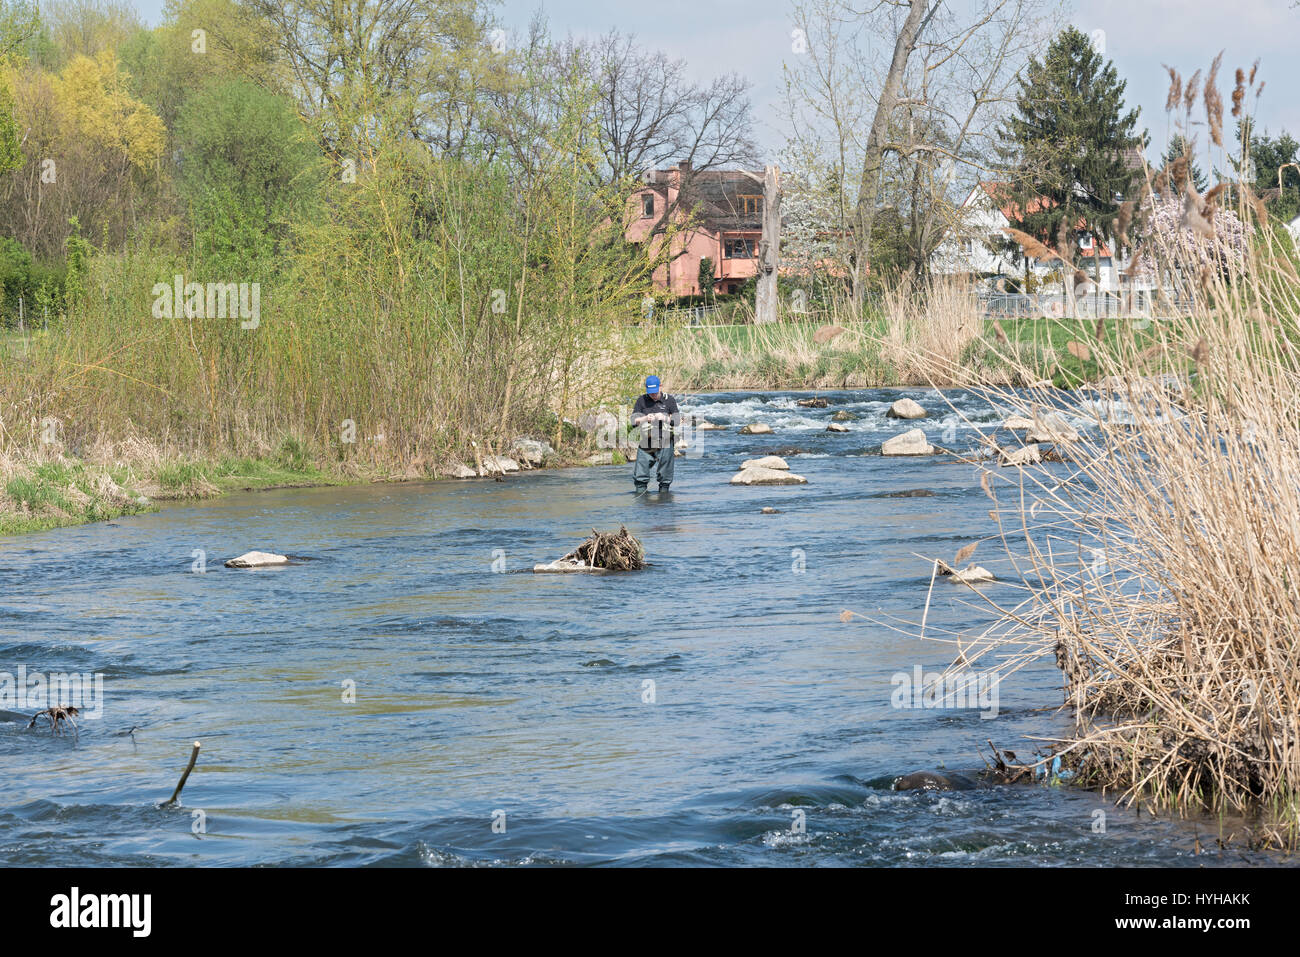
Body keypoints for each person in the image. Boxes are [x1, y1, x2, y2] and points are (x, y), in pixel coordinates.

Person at [631, 375, 679, 493]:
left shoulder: (670, 400)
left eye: (655, 392)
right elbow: (633, 421)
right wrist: (645, 418)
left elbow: (677, 421)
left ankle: (664, 500)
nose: (653, 395)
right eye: (650, 392)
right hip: (646, 442)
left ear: (660, 387)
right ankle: (642, 502)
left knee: (665, 478)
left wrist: (665, 418)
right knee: (640, 477)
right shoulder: (641, 400)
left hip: (666, 442)